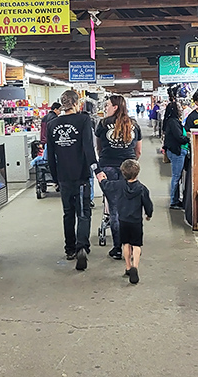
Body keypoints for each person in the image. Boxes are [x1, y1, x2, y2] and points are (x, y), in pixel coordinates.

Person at [47, 89, 98, 271]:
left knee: (68, 213)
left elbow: (50, 156)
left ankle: (69, 248)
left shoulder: (52, 124)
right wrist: (96, 168)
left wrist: (55, 177)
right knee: (83, 212)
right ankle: (82, 246)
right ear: (77, 104)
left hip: (63, 176)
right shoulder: (83, 120)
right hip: (82, 175)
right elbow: (88, 148)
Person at [95, 94, 142, 260]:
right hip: (127, 168)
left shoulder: (102, 124)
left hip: (108, 167)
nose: (105, 108)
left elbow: (99, 148)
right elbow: (138, 151)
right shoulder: (134, 125)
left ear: (115, 107)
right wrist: (131, 165)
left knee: (113, 208)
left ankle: (117, 248)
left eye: (107, 105)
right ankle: (129, 246)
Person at [97, 159, 153, 284]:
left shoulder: (118, 185)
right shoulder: (142, 189)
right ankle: (135, 266)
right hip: (136, 221)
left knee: (126, 244)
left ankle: (128, 267)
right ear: (137, 173)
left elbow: (107, 186)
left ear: (123, 173)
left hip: (123, 220)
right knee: (137, 245)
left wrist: (102, 179)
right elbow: (148, 204)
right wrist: (149, 214)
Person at [163, 100, 189, 209]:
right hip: (177, 152)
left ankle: (176, 199)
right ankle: (174, 201)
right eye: (179, 108)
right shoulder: (173, 122)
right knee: (176, 176)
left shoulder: (171, 121)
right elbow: (179, 137)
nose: (181, 109)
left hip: (175, 151)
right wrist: (188, 139)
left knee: (176, 176)